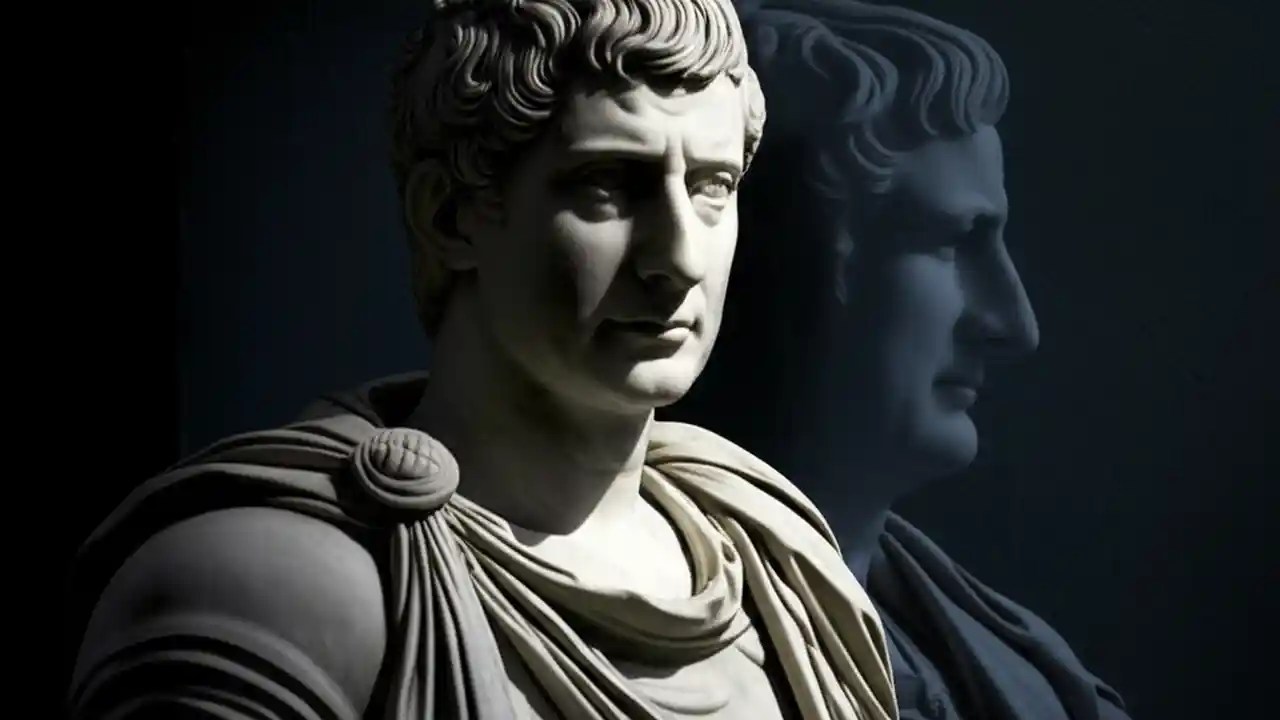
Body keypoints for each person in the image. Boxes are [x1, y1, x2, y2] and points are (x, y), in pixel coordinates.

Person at [65, 1, 900, 718]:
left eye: (713, 185)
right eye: (608, 184)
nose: (679, 254)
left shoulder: (781, 561)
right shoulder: (266, 594)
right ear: (453, 215)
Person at [665, 2, 1131, 719]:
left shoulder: (1013, 661)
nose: (1014, 325)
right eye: (952, 241)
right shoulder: (595, 631)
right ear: (785, 261)